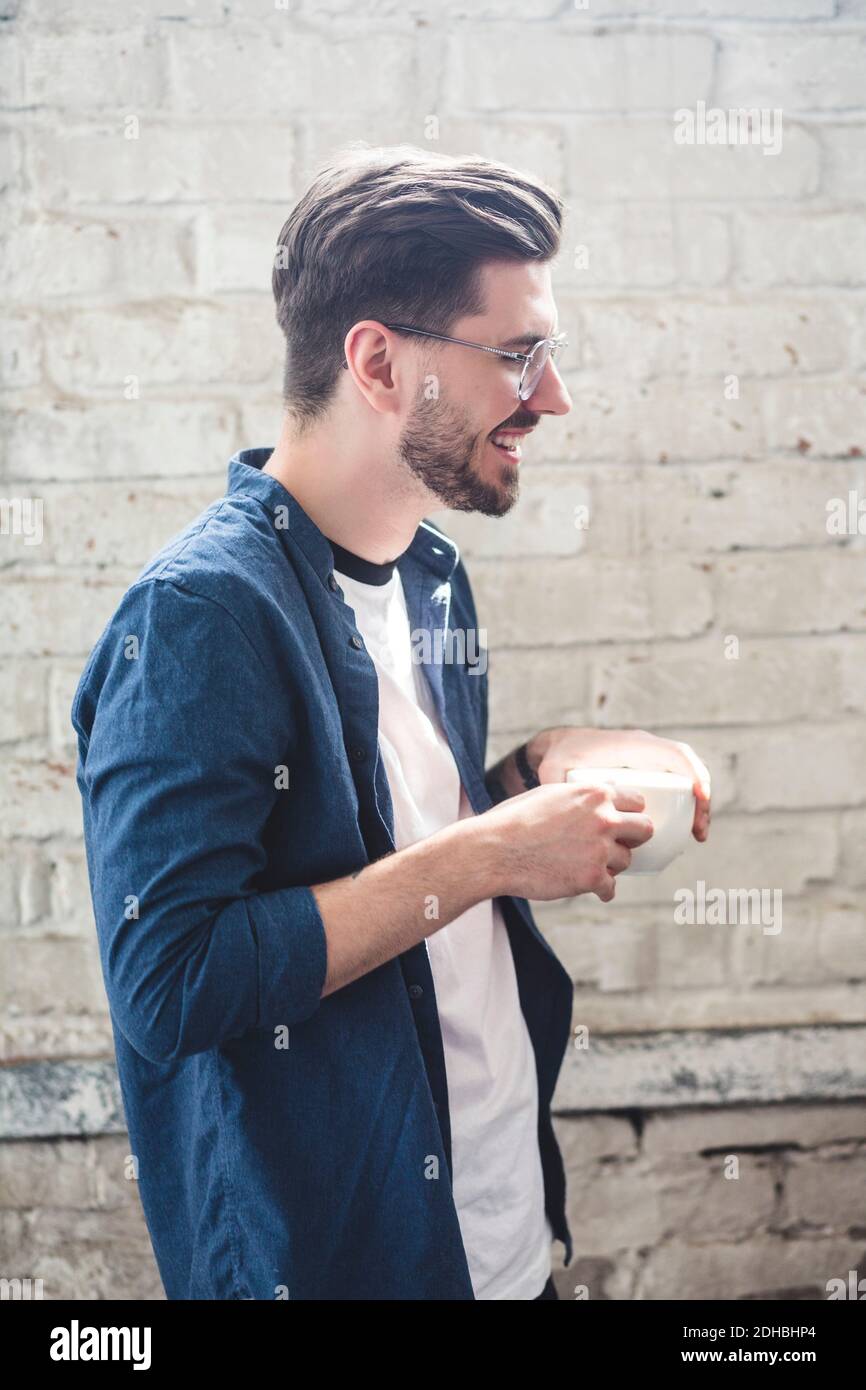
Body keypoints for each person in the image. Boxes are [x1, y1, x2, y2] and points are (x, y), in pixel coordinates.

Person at [71, 144, 711, 1301]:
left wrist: (536, 772)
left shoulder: (430, 573)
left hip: (502, 1248)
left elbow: (383, 823)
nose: (551, 396)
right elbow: (170, 985)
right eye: (517, 354)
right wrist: (492, 854)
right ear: (377, 360)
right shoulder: (198, 617)